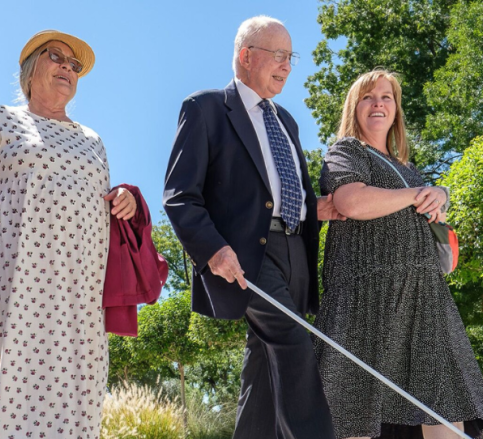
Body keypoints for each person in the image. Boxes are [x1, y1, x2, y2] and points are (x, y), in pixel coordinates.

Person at [0, 30, 137, 439]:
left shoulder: (93, 141)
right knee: (23, 375)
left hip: (85, 283)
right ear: (30, 69)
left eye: (74, 66)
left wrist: (124, 198)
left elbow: (102, 204)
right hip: (23, 272)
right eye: (57, 58)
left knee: (82, 379)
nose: (67, 69)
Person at [163, 16, 341, 439]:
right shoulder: (204, 108)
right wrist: (212, 250)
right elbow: (179, 195)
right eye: (278, 55)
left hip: (296, 251)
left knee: (264, 361)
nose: (287, 66)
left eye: (290, 57)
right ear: (246, 56)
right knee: (295, 342)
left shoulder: (287, 122)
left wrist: (324, 210)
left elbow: (285, 192)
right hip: (245, 256)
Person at [314, 69, 483, 439]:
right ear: (355, 106)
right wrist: (419, 195)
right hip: (365, 300)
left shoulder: (409, 170)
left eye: (387, 97)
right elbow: (350, 201)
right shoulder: (346, 151)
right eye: (368, 96)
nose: (379, 103)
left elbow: (438, 231)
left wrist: (440, 196)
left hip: (423, 300)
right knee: (353, 412)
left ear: (396, 110)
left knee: (445, 412)